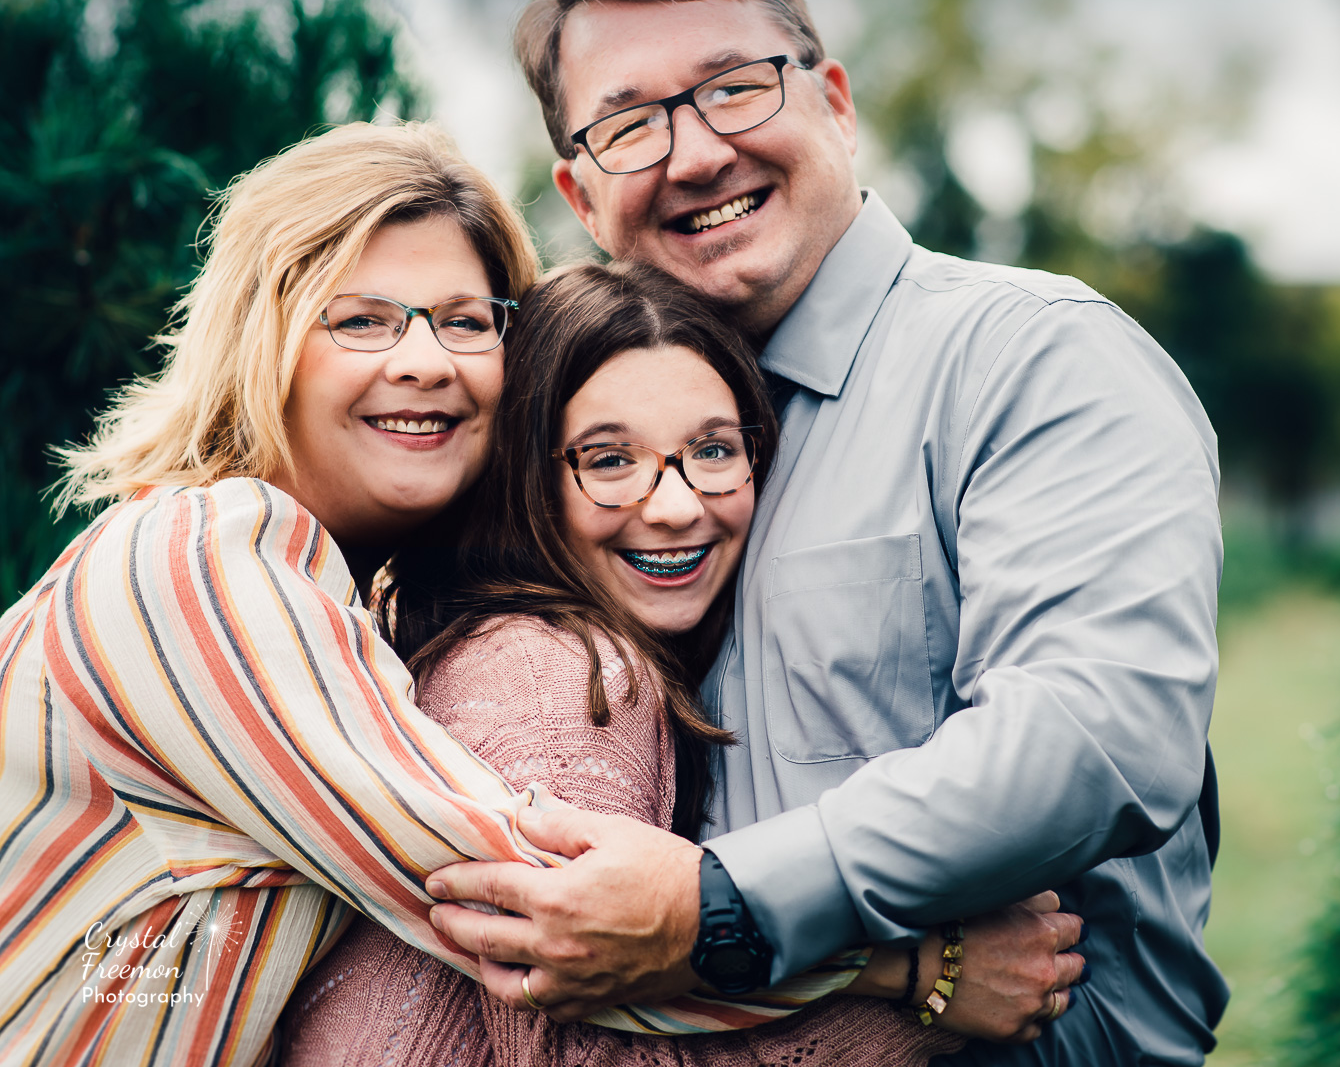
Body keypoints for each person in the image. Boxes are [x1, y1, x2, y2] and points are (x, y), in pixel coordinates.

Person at [425, 0, 1229, 1065]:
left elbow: (1098, 736)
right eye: (630, 124)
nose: (696, 153)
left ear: (837, 104)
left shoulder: (1032, 357)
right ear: (579, 192)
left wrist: (717, 906)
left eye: (734, 89)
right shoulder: (574, 412)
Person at [0, 123, 844, 1067]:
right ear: (261, 336)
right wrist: (909, 963)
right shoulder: (197, 555)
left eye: (467, 320)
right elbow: (530, 911)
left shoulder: (352, 602)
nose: (426, 361)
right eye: (363, 320)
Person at [280, 259, 991, 1065]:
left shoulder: (517, 645)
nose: (679, 506)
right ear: (528, 479)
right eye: (610, 461)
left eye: (714, 450)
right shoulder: (564, 677)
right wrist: (930, 994)